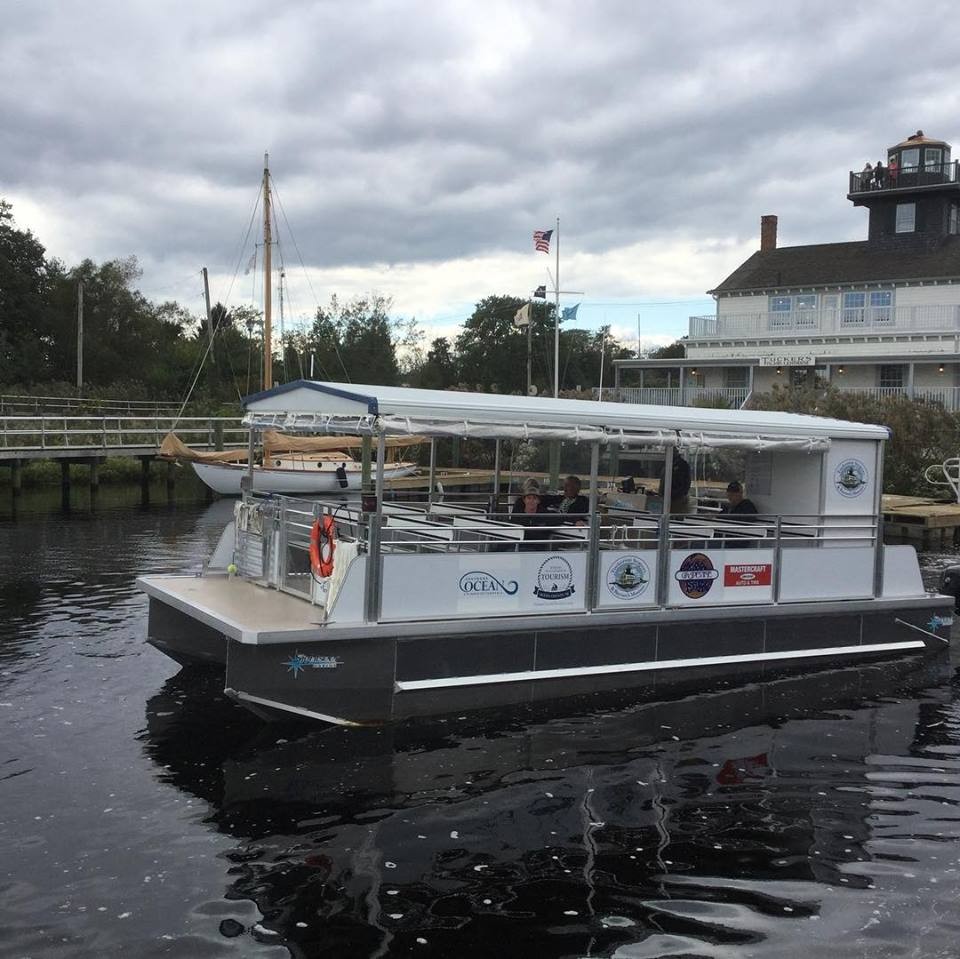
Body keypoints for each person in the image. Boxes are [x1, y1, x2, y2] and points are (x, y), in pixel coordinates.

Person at [511, 478, 554, 549]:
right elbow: (514, 525)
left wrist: (575, 520)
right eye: (529, 498)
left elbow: (560, 517)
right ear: (524, 500)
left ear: (539, 500)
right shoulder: (518, 514)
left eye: (534, 498)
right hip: (519, 545)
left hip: (536, 549)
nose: (531, 501)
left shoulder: (545, 514)